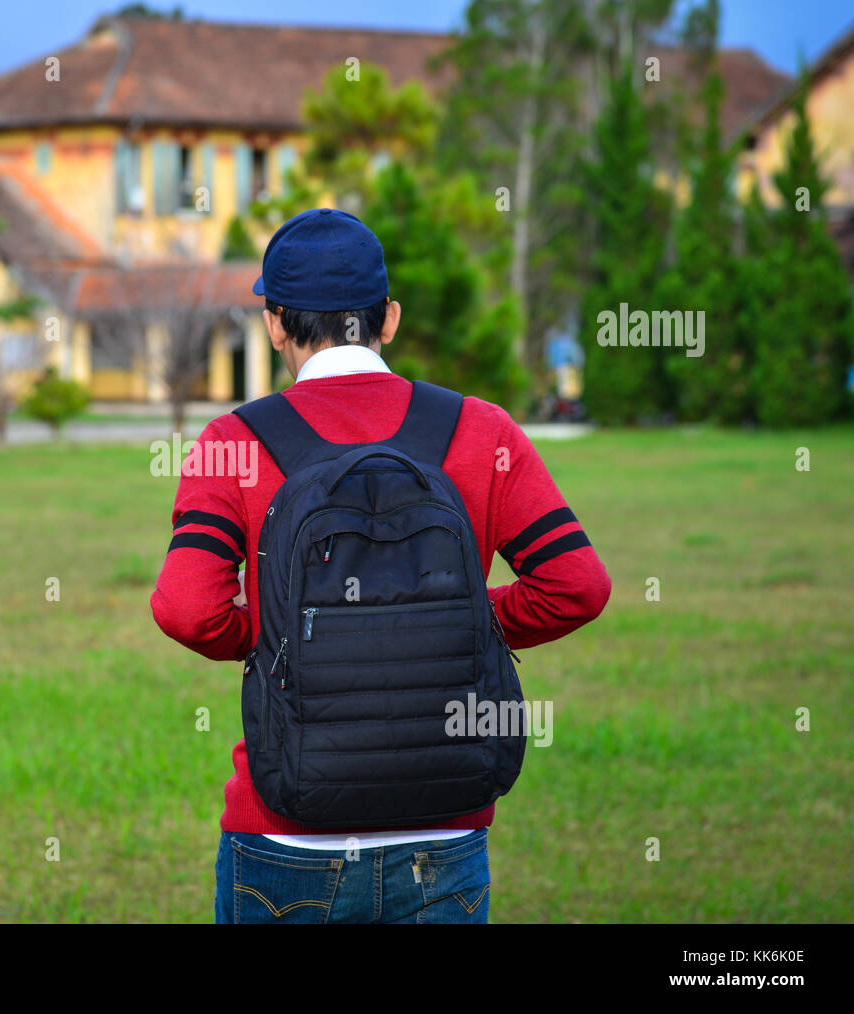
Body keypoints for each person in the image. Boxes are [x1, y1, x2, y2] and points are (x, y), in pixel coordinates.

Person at [151, 208, 611, 923]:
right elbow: (576, 585)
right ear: (388, 319)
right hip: (446, 830)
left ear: (275, 324)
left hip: (284, 833)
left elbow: (186, 608)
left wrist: (288, 637)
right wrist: (454, 622)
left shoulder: (231, 441)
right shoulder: (482, 429)